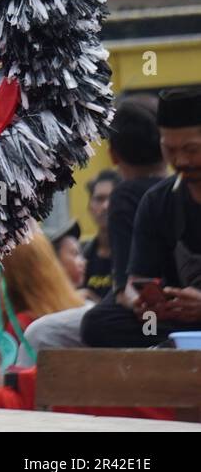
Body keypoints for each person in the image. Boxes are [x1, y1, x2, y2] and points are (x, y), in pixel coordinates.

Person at [22, 97, 167, 360]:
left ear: (112, 154)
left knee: (45, 332)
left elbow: (127, 293)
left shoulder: (126, 196)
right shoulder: (178, 188)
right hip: (173, 317)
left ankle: (24, 399)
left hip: (155, 321)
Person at [81, 87, 201, 347]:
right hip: (178, 321)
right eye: (170, 149)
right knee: (98, 323)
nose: (181, 160)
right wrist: (142, 300)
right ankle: (172, 344)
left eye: (191, 150)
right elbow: (136, 279)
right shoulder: (156, 202)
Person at [80, 169, 118, 301]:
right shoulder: (81, 256)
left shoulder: (134, 253)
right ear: (89, 207)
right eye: (99, 199)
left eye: (112, 198)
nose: (106, 205)